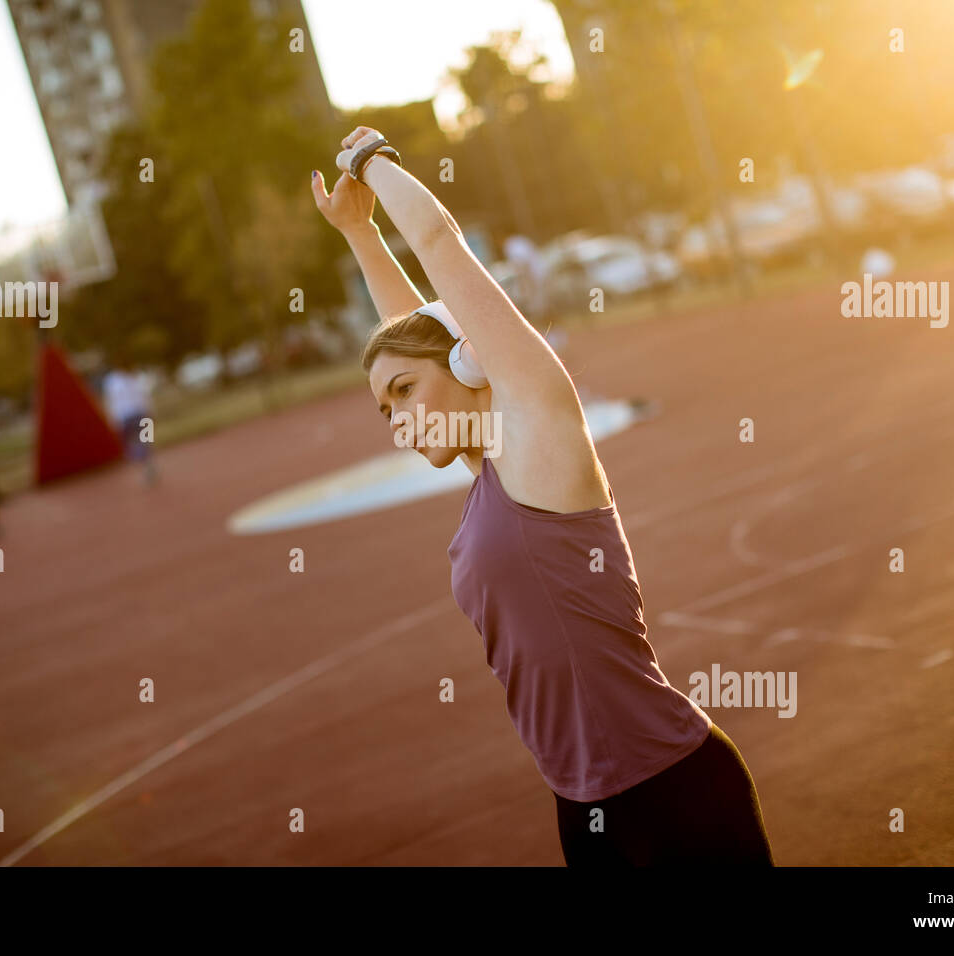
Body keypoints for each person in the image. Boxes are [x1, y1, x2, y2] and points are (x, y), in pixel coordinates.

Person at [311, 128, 774, 866]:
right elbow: (414, 334)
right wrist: (360, 233)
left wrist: (374, 159)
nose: (398, 418)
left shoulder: (538, 447)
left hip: (676, 792)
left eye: (404, 392)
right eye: (384, 409)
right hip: (583, 810)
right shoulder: (491, 477)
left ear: (472, 364)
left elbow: (436, 243)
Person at [102, 355, 158, 486]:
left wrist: (113, 419)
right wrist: (151, 411)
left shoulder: (111, 381)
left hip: (127, 417)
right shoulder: (135, 376)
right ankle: (148, 466)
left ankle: (146, 468)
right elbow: (145, 396)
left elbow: (112, 402)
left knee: (133, 445)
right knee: (145, 442)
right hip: (141, 414)